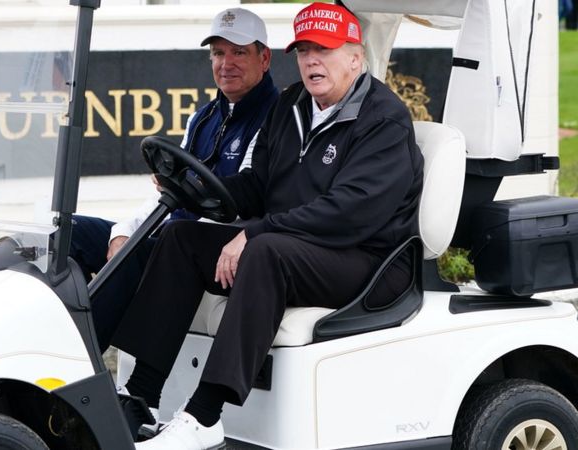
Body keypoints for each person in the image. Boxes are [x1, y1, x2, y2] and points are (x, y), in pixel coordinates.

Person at [111, 2, 425, 449]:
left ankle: (204, 417)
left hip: (369, 261)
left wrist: (255, 232)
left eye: (325, 50)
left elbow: (349, 211)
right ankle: (139, 396)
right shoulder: (293, 104)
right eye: (304, 51)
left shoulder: (383, 119)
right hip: (301, 246)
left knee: (265, 251)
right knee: (183, 238)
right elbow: (261, 184)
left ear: (356, 58)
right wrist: (199, 188)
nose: (312, 61)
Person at [70, 8, 279, 352]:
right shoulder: (205, 117)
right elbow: (168, 194)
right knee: (69, 232)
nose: (226, 63)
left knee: (136, 256)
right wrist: (124, 230)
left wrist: (182, 193)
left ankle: (80, 362)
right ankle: (38, 349)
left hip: (211, 247)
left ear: (264, 58)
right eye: (218, 53)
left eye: (239, 52)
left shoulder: (274, 118)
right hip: (172, 234)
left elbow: (246, 198)